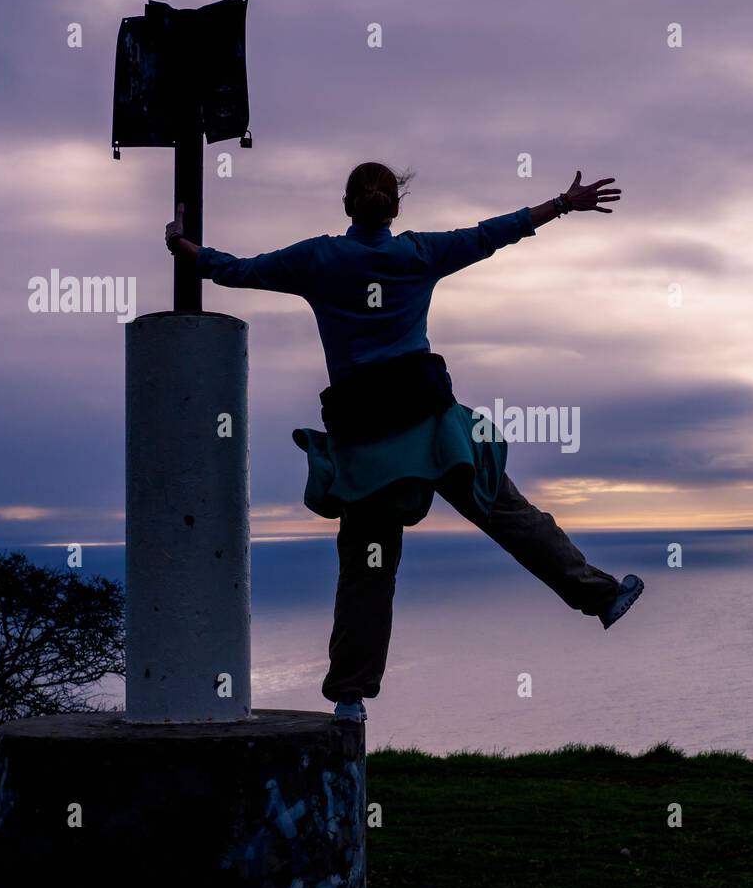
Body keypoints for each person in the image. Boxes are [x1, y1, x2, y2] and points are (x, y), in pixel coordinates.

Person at [166, 162, 643, 722]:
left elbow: (237, 270)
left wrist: (182, 245)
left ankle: (350, 697)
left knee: (368, 569)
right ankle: (601, 596)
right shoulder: (418, 254)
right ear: (396, 208)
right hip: (432, 430)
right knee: (508, 512)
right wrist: (563, 203)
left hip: (368, 446)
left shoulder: (318, 260)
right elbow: (494, 233)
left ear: (347, 205)